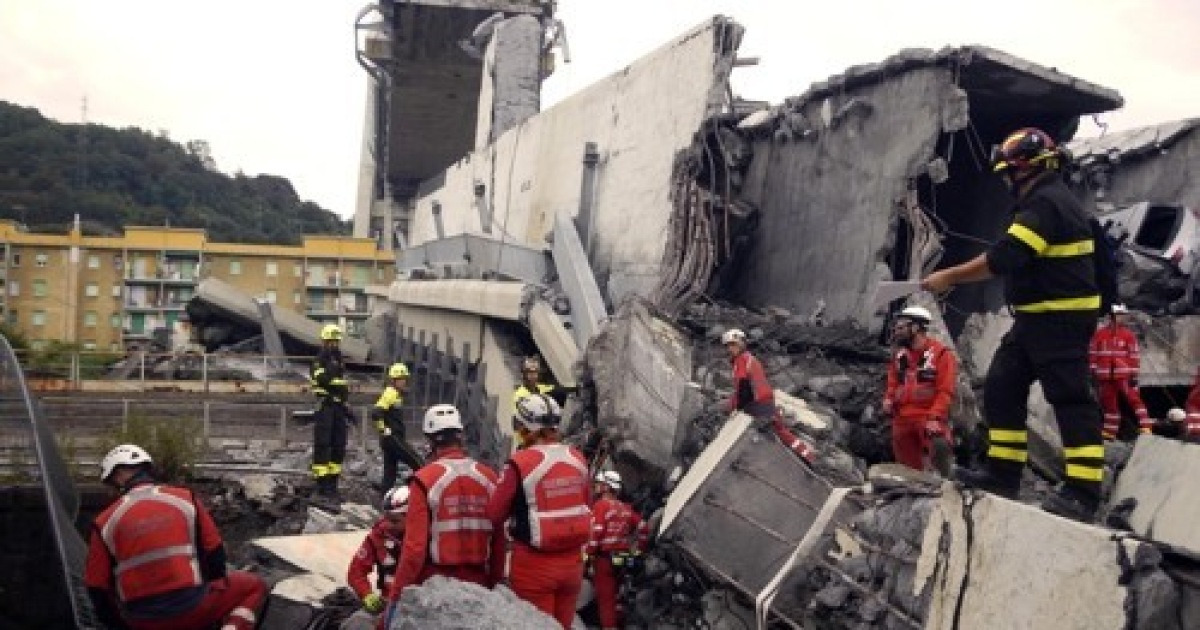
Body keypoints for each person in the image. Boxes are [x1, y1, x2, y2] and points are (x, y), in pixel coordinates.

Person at [922, 127, 1105, 522]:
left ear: (1026, 169)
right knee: (1003, 387)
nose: (1005, 180)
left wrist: (948, 277)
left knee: (1070, 400)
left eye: (1008, 172)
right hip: (1036, 318)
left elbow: (1006, 258)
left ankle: (1085, 492)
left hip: (1061, 319)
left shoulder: (1046, 204)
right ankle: (1002, 475)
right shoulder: (1045, 200)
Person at [84, 444, 267, 630]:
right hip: (193, 607)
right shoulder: (184, 498)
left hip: (141, 620)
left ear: (120, 475)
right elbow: (215, 554)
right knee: (254, 586)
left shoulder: (104, 521)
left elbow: (96, 588)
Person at [487, 394, 592, 629]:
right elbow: (586, 502)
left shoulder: (520, 462)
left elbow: (494, 513)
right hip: (573, 565)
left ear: (527, 428)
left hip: (533, 566)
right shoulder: (577, 457)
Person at [386, 405, 500, 610]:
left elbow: (414, 549)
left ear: (430, 440)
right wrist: (495, 584)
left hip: (437, 585)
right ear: (460, 436)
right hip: (480, 582)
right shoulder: (489, 477)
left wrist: (396, 595)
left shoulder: (424, 480)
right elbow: (500, 541)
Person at [722, 328, 816, 463]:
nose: (731, 348)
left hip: (757, 405)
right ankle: (808, 456)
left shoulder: (741, 361)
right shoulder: (750, 359)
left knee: (762, 433)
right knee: (782, 431)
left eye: (734, 344)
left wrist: (735, 408)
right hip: (766, 402)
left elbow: (743, 390)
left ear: (742, 343)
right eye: (729, 346)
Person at [883, 306, 957, 476]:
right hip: (902, 418)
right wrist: (888, 398)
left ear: (916, 328)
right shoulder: (899, 355)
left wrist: (934, 417)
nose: (897, 331)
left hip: (927, 416)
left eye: (902, 327)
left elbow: (945, 390)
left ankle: (945, 482)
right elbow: (893, 382)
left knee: (939, 444)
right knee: (908, 470)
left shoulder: (941, 354)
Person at [586, 471, 648, 630]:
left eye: (600, 484)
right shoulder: (625, 508)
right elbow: (643, 527)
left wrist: (586, 556)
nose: (597, 487)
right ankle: (620, 622)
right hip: (623, 558)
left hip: (605, 559)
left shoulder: (601, 505)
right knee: (616, 595)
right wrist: (639, 551)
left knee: (605, 599)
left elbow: (597, 532)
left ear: (607, 487)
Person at [1089, 304, 1152, 439]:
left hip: (1123, 376)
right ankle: (1109, 432)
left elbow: (1134, 356)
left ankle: (1146, 426)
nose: (1123, 318)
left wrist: (1134, 375)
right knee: (1109, 404)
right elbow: (1093, 354)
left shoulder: (1128, 335)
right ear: (1112, 316)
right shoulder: (1099, 335)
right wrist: (1093, 372)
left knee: (1134, 400)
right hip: (1105, 377)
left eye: (1124, 315)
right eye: (1120, 315)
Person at [348, 487, 409, 624]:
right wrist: (367, 595)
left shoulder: (428, 540)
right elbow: (356, 571)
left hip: (416, 605)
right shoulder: (378, 535)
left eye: (394, 521)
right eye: (386, 518)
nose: (388, 524)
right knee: (354, 624)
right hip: (387, 602)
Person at [310, 323, 356, 506]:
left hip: (338, 408)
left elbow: (340, 385)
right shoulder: (319, 360)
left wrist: (346, 405)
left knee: (339, 445)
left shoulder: (339, 360)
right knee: (323, 444)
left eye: (336, 342)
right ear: (324, 341)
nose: (334, 345)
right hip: (325, 406)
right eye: (331, 341)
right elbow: (322, 379)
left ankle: (332, 485)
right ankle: (321, 486)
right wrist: (335, 382)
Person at [372, 362, 423, 491]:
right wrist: (383, 429)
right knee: (417, 462)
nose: (404, 382)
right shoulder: (390, 393)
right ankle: (421, 491)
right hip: (393, 438)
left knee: (390, 473)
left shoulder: (396, 394)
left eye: (405, 379)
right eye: (401, 379)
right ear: (394, 380)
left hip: (390, 439)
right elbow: (376, 413)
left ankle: (384, 498)